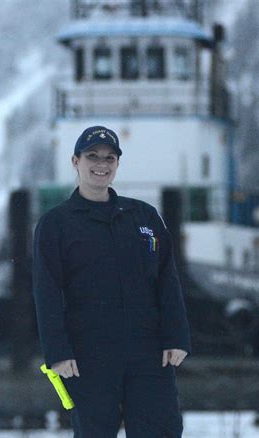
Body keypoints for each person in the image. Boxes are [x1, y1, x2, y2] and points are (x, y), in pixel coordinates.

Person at [32, 125, 191, 437]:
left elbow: (166, 280)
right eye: (92, 156)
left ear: (118, 163)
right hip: (88, 357)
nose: (101, 164)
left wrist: (177, 337)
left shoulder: (143, 216)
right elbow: (46, 291)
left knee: (162, 430)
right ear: (75, 161)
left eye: (110, 157)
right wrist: (57, 351)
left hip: (149, 354)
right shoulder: (56, 224)